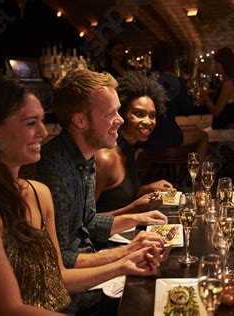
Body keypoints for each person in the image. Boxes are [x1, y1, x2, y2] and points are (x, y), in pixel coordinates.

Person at [0, 76, 163, 315]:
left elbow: (59, 275)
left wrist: (125, 262)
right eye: (31, 123)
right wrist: (123, 254)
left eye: (42, 121)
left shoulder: (38, 191)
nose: (44, 132)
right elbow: (7, 308)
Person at [35, 69, 169, 311]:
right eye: (111, 113)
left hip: (90, 268)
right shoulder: (56, 170)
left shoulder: (86, 156)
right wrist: (127, 252)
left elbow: (88, 221)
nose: (120, 119)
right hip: (73, 300)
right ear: (80, 120)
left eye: (119, 111)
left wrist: (137, 218)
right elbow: (62, 259)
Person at [95, 71, 173, 214]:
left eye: (152, 116)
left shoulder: (130, 148)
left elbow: (118, 195)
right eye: (139, 114)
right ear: (122, 114)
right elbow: (84, 223)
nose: (148, 122)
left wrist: (148, 188)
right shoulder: (105, 158)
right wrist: (133, 209)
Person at [142, 41, 208, 158]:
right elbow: (187, 111)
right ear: (172, 60)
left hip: (145, 136)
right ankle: (196, 175)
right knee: (204, 136)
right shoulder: (176, 82)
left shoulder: (144, 80)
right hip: (168, 136)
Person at [200, 47, 234, 130]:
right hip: (230, 129)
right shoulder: (232, 82)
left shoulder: (227, 84)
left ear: (223, 64)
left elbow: (217, 112)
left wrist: (206, 99)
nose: (214, 66)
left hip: (226, 131)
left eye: (216, 63)